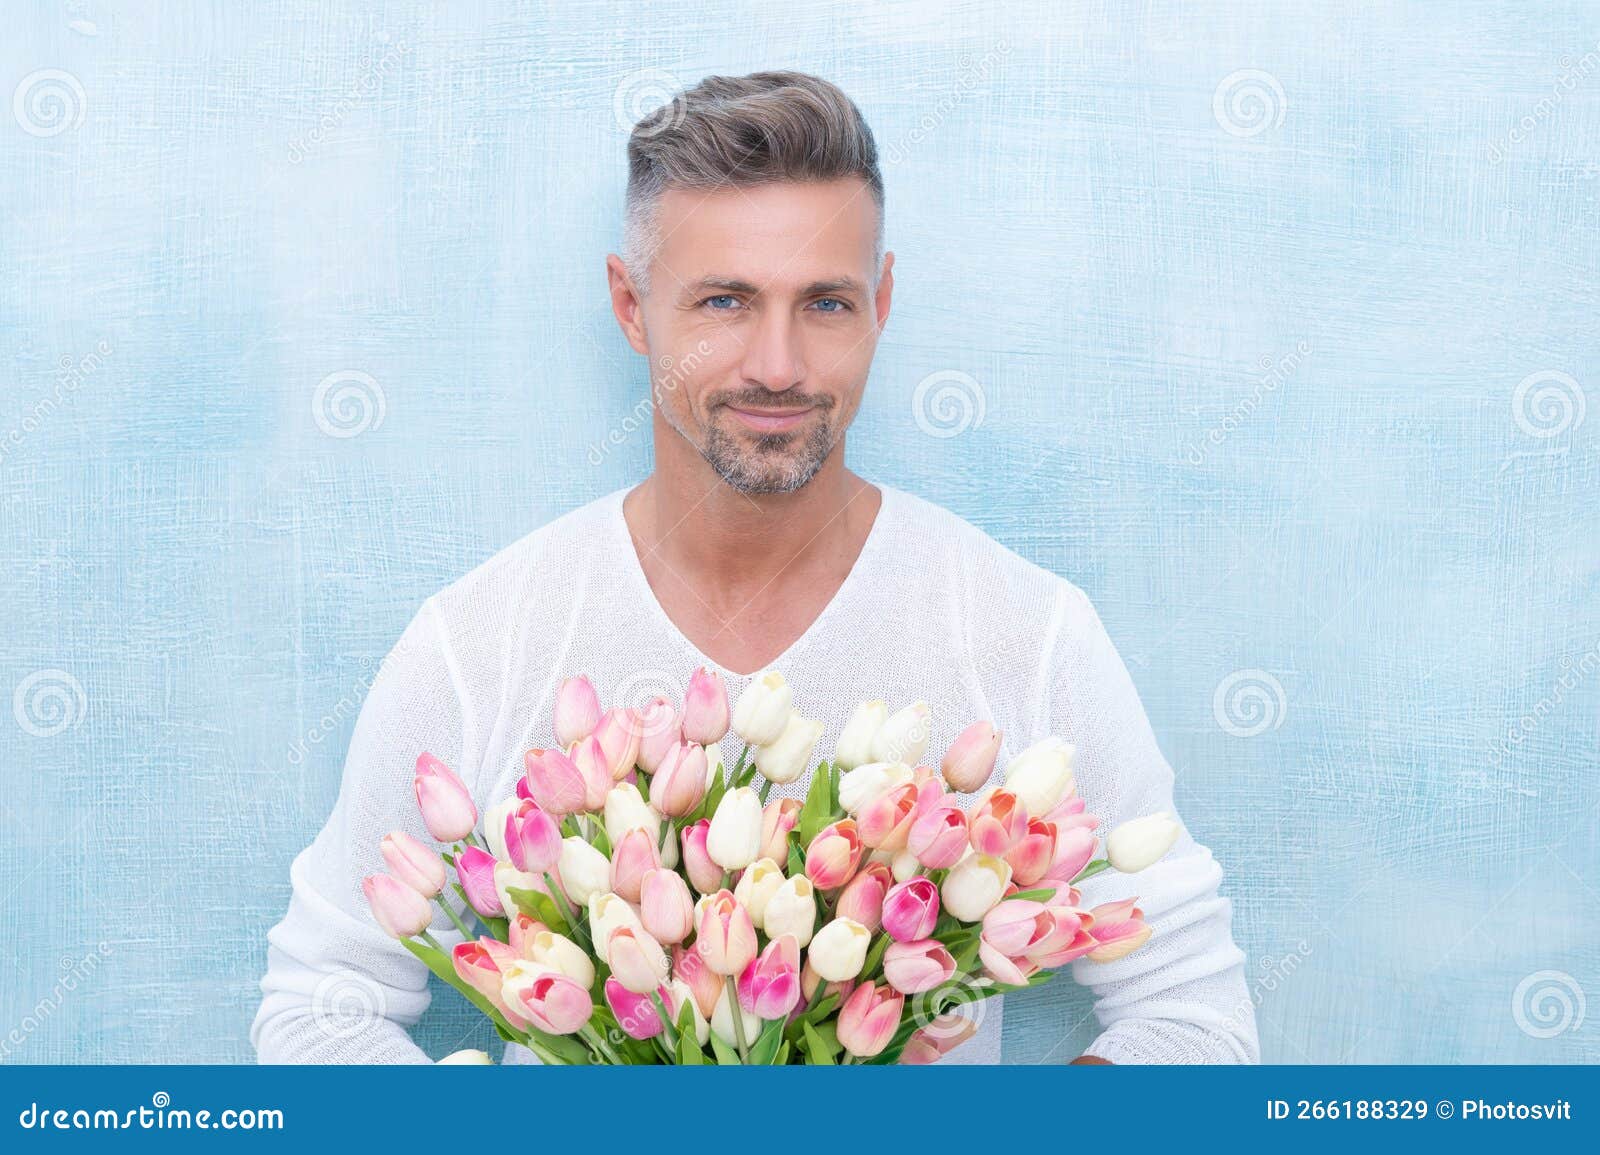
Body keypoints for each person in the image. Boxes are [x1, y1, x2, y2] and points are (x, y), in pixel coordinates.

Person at [252, 69, 1258, 1065]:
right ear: (632, 305)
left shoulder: (1023, 630)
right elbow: (318, 1011)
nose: (777, 366)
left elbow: (1195, 1021)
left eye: (825, 304)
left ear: (880, 303)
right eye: (725, 301)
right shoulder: (483, 640)